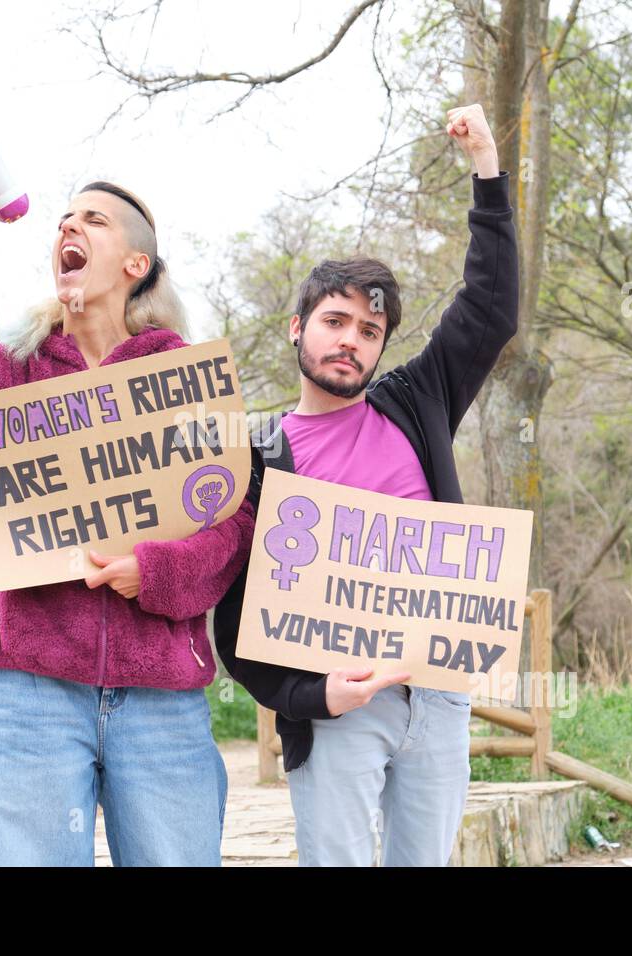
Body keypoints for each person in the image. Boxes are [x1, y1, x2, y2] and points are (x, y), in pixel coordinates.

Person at [0, 173, 255, 866]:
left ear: (136, 265)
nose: (68, 228)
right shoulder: (10, 371)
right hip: (28, 695)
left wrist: (159, 571)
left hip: (161, 698)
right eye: (64, 220)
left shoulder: (184, 377)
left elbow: (234, 517)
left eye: (95, 221)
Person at [214, 103, 518, 866]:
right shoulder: (257, 454)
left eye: (369, 330)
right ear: (298, 328)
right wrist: (314, 699)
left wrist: (486, 167)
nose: (351, 339)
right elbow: (236, 619)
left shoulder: (420, 401)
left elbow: (489, 308)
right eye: (335, 321)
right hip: (339, 709)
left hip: (438, 693)